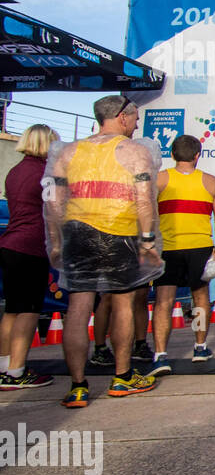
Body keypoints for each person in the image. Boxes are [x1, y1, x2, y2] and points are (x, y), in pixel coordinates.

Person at [43, 95, 163, 407]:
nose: (136, 125)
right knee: (123, 304)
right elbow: (144, 199)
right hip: (119, 232)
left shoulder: (68, 151)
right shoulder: (135, 151)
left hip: (76, 232)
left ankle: (78, 386)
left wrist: (56, 242)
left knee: (78, 307)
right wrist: (148, 242)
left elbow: (54, 202)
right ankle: (122, 378)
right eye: (135, 119)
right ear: (123, 117)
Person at [149, 133, 215, 374]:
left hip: (168, 248)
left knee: (163, 301)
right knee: (201, 299)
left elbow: (147, 215)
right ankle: (200, 347)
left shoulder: (159, 180)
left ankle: (161, 355)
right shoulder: (212, 182)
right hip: (200, 247)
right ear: (197, 155)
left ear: (171, 155)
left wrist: (148, 246)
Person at [0, 124, 59, 390]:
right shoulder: (46, 176)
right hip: (31, 246)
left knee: (12, 309)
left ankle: (4, 367)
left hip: (11, 244)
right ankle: (17, 371)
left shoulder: (14, 172)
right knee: (29, 310)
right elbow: (54, 212)